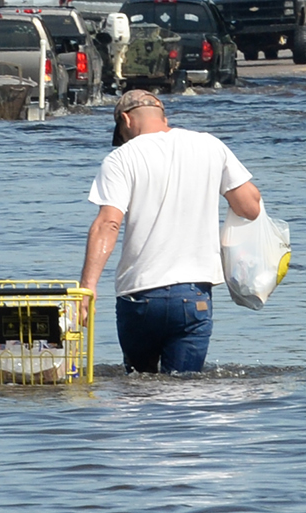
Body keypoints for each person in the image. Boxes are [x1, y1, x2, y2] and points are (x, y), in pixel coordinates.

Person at [78, 90, 262, 374]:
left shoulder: (120, 159)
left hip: (139, 296)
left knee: (139, 394)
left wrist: (87, 287)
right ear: (163, 115)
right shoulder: (209, 146)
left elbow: (108, 224)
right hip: (193, 295)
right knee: (186, 392)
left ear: (126, 120)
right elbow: (250, 207)